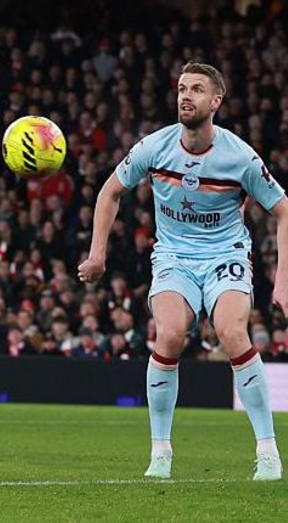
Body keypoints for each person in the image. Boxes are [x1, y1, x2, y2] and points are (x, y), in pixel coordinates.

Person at [78, 61, 287, 481]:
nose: (185, 96)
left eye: (195, 89)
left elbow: (284, 212)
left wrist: (283, 282)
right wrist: (97, 254)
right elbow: (110, 192)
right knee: (170, 335)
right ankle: (161, 453)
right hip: (173, 256)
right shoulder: (155, 147)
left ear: (216, 101)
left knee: (232, 333)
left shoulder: (240, 156)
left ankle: (268, 452)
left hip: (225, 253)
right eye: (180, 89)